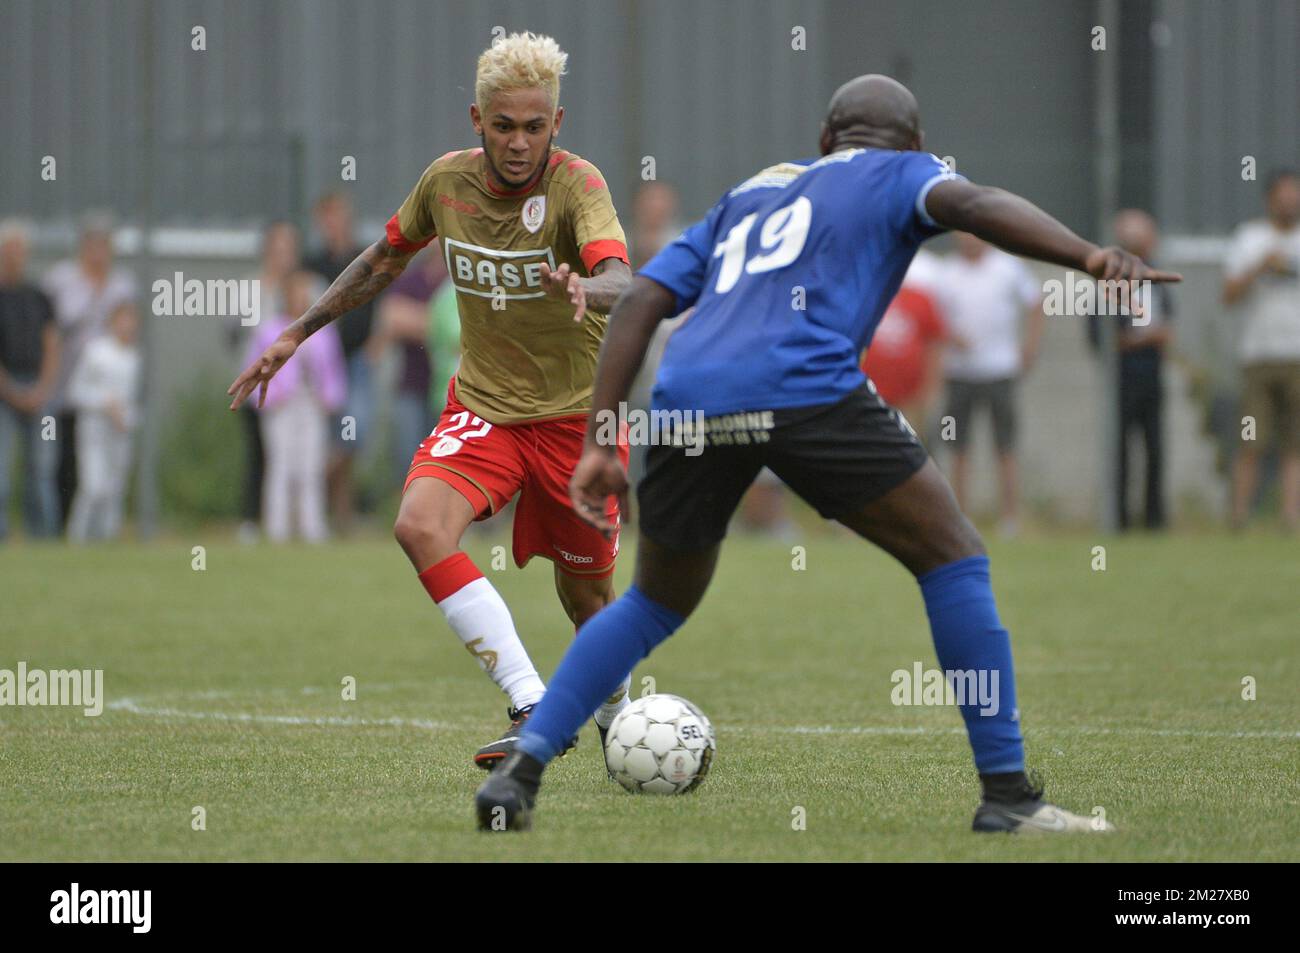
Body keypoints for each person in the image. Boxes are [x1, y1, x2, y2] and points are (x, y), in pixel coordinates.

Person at [475, 74, 1179, 833]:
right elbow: (974, 206)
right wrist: (1088, 255)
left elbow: (644, 298)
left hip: (692, 391)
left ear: (822, 141)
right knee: (952, 556)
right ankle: (1007, 794)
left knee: (653, 602)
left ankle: (522, 773)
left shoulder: (749, 197)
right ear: (916, 145)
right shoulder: (904, 171)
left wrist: (601, 439)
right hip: (805, 383)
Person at [229, 32, 634, 769]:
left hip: (576, 420)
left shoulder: (580, 186)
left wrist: (586, 286)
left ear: (557, 124)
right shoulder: (446, 183)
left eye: (534, 126)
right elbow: (384, 257)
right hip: (483, 408)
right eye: (503, 125)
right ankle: (531, 702)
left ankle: (623, 720)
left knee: (589, 601)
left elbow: (622, 278)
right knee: (419, 524)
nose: (519, 142)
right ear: (477, 121)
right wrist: (299, 330)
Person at [938, 232, 1043, 536]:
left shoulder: (1008, 267)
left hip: (999, 371)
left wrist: (1030, 348)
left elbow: (1036, 302)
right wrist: (952, 337)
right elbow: (934, 317)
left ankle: (1009, 518)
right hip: (958, 373)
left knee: (1005, 446)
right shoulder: (947, 272)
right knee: (958, 447)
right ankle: (960, 518)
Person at [42, 213, 135, 528]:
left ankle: (102, 531)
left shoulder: (122, 284)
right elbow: (51, 327)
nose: (98, 252)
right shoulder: (61, 280)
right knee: (62, 460)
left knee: (106, 473)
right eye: (92, 244)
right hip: (65, 382)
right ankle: (59, 526)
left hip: (107, 392)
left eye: (104, 245)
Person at [1222, 170, 1300, 530]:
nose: (1289, 201)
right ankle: (1239, 518)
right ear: (1269, 199)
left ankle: (1291, 519)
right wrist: (1260, 266)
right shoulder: (1249, 238)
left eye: (1294, 195)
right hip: (1258, 357)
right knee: (1251, 439)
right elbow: (1229, 296)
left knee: (1294, 443)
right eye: (1283, 195)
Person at [1088, 210, 1174, 530]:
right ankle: (1119, 519)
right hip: (1122, 378)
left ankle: (1154, 519)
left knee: (1155, 448)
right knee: (1120, 450)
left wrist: (1154, 339)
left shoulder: (1156, 282)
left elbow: (1167, 326)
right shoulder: (1107, 288)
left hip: (1152, 374)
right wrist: (1141, 339)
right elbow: (1101, 338)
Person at [246, 271, 346, 543]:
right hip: (281, 406)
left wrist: (330, 399)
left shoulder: (323, 333)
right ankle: (278, 528)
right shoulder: (269, 330)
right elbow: (254, 368)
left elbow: (333, 371)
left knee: (310, 466)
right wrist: (266, 399)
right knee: (280, 465)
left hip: (311, 405)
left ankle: (312, 526)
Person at [305, 191, 376, 534]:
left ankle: (318, 493)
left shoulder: (365, 258)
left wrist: (378, 340)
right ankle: (336, 514)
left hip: (358, 359)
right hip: (324, 364)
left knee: (353, 433)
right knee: (335, 437)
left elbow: (381, 302)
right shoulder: (313, 264)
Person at [234, 221, 301, 544]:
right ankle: (252, 519)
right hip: (261, 386)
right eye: (277, 249)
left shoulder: (308, 286)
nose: (283, 256)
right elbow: (232, 333)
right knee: (259, 454)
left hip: (297, 392)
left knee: (298, 458)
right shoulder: (251, 289)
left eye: (288, 249)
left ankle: (299, 521)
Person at [0, 219, 61, 540]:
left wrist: (41, 390)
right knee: (2, 471)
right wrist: (11, 391)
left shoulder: (39, 296)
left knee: (41, 469)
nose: (14, 257)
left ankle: (44, 538)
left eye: (19, 251)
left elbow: (52, 344)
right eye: (8, 251)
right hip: (4, 395)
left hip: (40, 392)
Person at [370, 245, 448, 487]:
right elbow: (391, 319)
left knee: (446, 458)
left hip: (449, 388)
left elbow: (471, 328)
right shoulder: (410, 278)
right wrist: (444, 325)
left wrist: (416, 320)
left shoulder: (459, 278)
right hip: (410, 383)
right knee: (408, 455)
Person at [65, 301, 141, 542]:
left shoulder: (135, 358)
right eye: (122, 320)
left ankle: (107, 539)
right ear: (112, 322)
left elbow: (136, 400)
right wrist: (104, 403)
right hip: (93, 430)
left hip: (120, 432)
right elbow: (74, 392)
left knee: (115, 488)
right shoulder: (95, 352)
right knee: (93, 486)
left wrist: (128, 418)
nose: (127, 326)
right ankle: (77, 538)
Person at [861, 254, 949, 435]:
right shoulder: (863, 298)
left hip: (910, 397)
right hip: (866, 395)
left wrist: (932, 388)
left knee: (911, 448)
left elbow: (935, 344)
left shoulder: (920, 298)